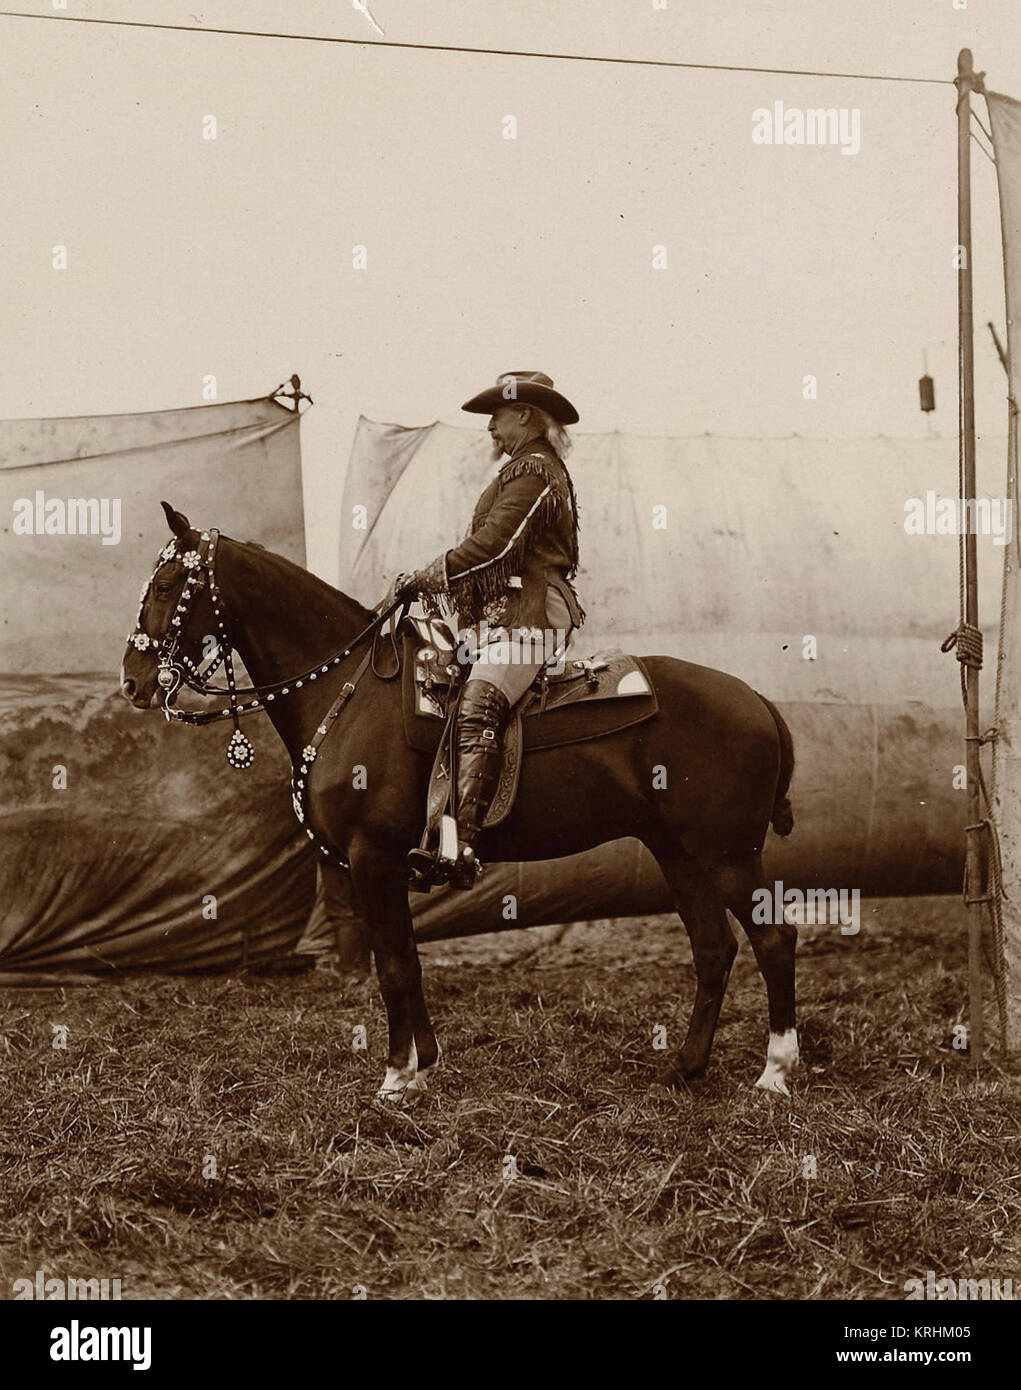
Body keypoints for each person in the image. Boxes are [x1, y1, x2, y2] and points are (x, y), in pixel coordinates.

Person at [391, 371, 584, 889]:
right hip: (501, 622)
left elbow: (497, 545)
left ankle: (461, 846)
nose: (490, 430)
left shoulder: (536, 469)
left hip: (532, 622)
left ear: (524, 414)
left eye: (495, 418)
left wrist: (428, 574)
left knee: (478, 706)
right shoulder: (521, 469)